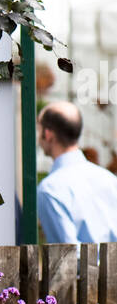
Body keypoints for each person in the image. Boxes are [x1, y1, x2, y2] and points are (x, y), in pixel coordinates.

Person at [37, 101, 117, 244]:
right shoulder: (110, 180)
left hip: (82, 267)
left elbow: (68, 256)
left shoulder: (50, 189)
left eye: (39, 129)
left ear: (48, 134)